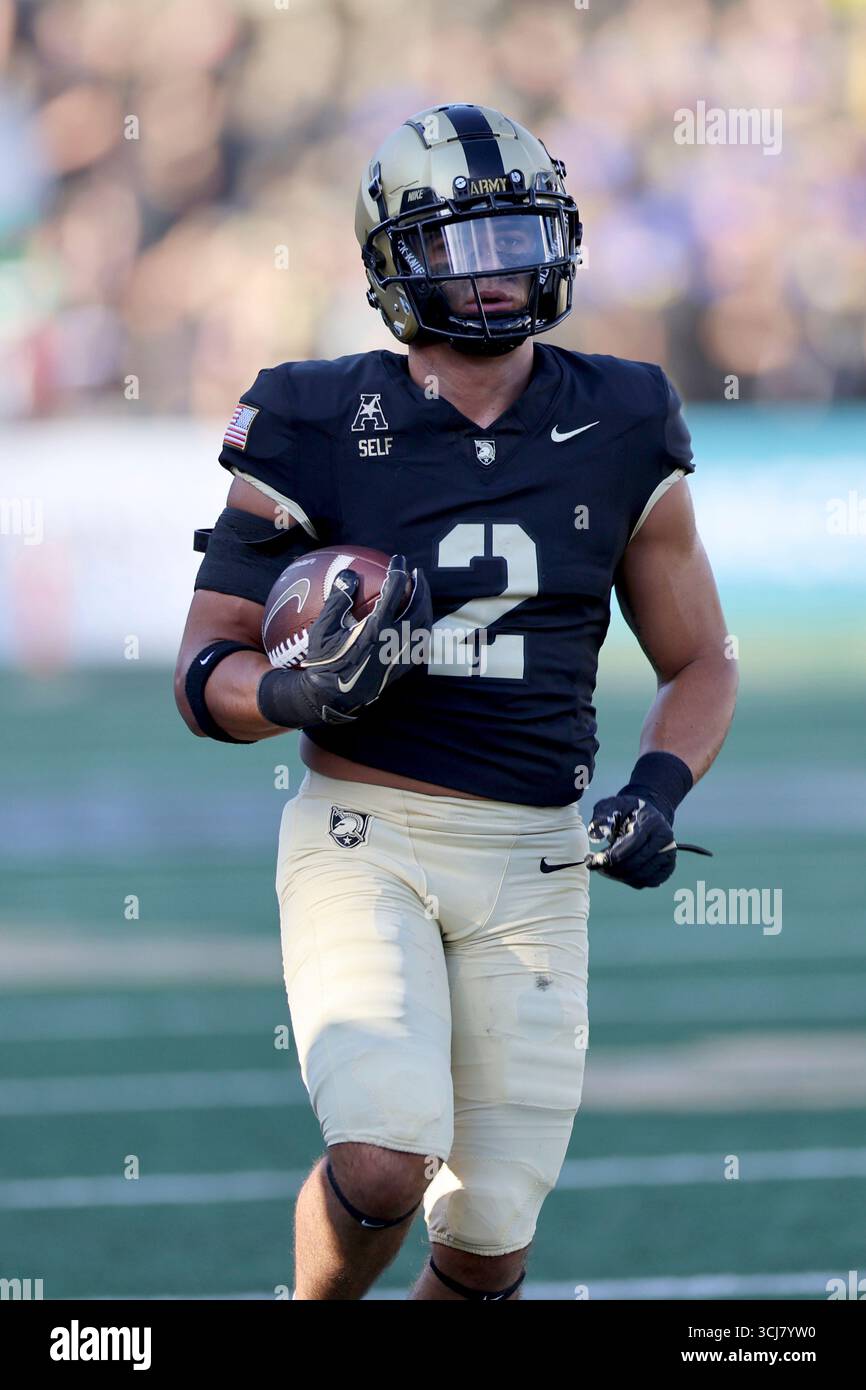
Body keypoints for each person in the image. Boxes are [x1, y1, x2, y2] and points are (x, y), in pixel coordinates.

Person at [174, 103, 738, 1301]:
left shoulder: (623, 416)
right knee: (380, 1161)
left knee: (486, 1248)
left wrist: (653, 786)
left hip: (535, 858)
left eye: (517, 240)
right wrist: (292, 687)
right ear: (394, 262)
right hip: (361, 837)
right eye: (461, 246)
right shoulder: (314, 414)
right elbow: (201, 669)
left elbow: (699, 662)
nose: (496, 276)